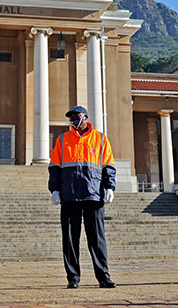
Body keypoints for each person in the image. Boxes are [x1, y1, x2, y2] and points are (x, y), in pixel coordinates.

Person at [48, 105, 117, 289]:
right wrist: (54, 189)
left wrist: (110, 187)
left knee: (97, 238)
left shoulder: (100, 139)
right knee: (70, 239)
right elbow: (55, 166)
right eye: (71, 117)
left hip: (93, 194)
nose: (74, 119)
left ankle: (103, 276)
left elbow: (108, 165)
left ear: (85, 117)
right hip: (69, 194)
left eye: (77, 116)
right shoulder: (62, 140)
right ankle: (73, 278)